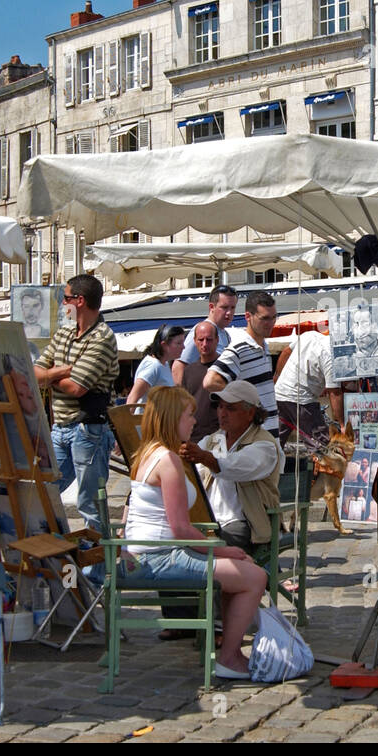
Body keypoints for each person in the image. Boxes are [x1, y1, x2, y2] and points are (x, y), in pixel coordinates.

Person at [122, 385, 267, 680]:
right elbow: (179, 529)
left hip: (145, 553)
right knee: (255, 577)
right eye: (189, 415)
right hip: (159, 558)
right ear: (173, 417)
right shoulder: (168, 460)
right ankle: (228, 657)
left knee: (241, 570)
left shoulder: (147, 453)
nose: (194, 421)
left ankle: (230, 648)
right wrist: (223, 549)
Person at [34, 274, 119, 533]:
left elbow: (77, 388)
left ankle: (99, 569)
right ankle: (54, 550)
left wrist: (50, 375)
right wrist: (62, 371)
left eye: (66, 298)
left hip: (88, 429)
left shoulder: (102, 338)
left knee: (90, 504)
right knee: (45, 491)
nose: (63, 303)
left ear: (79, 301)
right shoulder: (65, 332)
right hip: (60, 427)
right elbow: (34, 371)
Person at [180, 380, 283, 553]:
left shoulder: (265, 445)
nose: (222, 413)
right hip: (210, 520)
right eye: (220, 407)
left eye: (230, 408)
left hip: (246, 524)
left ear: (250, 413)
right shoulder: (213, 440)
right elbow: (192, 472)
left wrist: (204, 457)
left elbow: (235, 466)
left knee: (209, 549)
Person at [203, 291, 279, 436]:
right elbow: (210, 381)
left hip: (268, 434)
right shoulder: (239, 348)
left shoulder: (264, 346)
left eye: (274, 317)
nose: (271, 323)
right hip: (253, 438)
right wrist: (245, 403)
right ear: (247, 317)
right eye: (265, 318)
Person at [274, 329, 343, 450]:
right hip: (302, 401)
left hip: (279, 395)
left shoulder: (309, 336)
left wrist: (278, 377)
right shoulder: (331, 358)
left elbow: (286, 352)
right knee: (322, 446)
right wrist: (342, 424)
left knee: (273, 442)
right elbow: (335, 393)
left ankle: (264, 466)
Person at [172, 285, 238, 385]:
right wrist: (186, 397)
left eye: (232, 307)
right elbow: (178, 367)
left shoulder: (225, 334)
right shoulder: (201, 331)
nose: (229, 312)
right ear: (212, 307)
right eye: (224, 307)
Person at [180, 321, 221, 442]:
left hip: (219, 437)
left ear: (217, 340)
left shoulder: (225, 367)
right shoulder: (188, 371)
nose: (204, 344)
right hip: (193, 437)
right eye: (201, 339)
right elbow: (183, 405)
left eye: (209, 339)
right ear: (194, 341)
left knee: (219, 462)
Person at [127, 324, 187, 406]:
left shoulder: (164, 364)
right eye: (178, 343)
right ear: (164, 345)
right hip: (146, 418)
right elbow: (132, 399)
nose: (183, 347)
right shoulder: (152, 366)